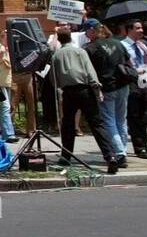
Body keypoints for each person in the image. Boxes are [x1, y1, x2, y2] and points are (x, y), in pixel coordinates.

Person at [49, 26, 119, 172]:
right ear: (70, 38)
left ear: (60, 40)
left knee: (67, 125)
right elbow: (90, 71)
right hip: (85, 90)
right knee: (96, 124)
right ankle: (110, 156)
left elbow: (53, 78)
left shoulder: (56, 55)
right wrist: (97, 89)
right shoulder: (80, 51)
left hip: (68, 92)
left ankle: (66, 156)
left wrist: (60, 87)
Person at [86, 19, 133, 168]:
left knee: (109, 121)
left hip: (106, 88)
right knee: (121, 120)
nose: (86, 34)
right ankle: (122, 150)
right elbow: (128, 62)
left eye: (87, 31)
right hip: (123, 85)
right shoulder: (118, 44)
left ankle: (119, 153)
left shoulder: (90, 48)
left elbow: (88, 71)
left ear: (93, 31)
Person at [121, 19, 147, 158]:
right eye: (138, 28)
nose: (141, 30)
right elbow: (125, 64)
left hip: (145, 77)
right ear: (130, 30)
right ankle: (139, 146)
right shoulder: (123, 45)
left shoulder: (141, 45)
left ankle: (146, 145)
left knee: (145, 113)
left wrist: (146, 52)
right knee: (135, 114)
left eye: (141, 28)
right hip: (133, 79)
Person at [0, 31, 18, 143]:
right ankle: (9, 134)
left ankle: (4, 131)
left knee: (5, 107)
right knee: (5, 106)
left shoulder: (10, 49)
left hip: (7, 81)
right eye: (8, 37)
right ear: (3, 37)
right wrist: (2, 51)